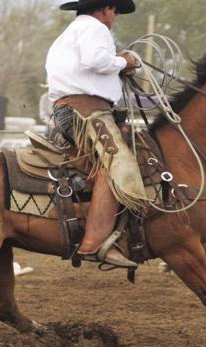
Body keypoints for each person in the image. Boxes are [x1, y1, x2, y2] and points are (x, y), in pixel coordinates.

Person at [46, 0, 146, 269]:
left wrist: (118, 66)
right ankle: (94, 244)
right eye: (114, 12)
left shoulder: (70, 34)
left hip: (69, 110)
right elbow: (96, 61)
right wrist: (123, 60)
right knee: (116, 166)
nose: (114, 17)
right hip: (87, 113)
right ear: (105, 9)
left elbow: (92, 67)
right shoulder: (96, 29)